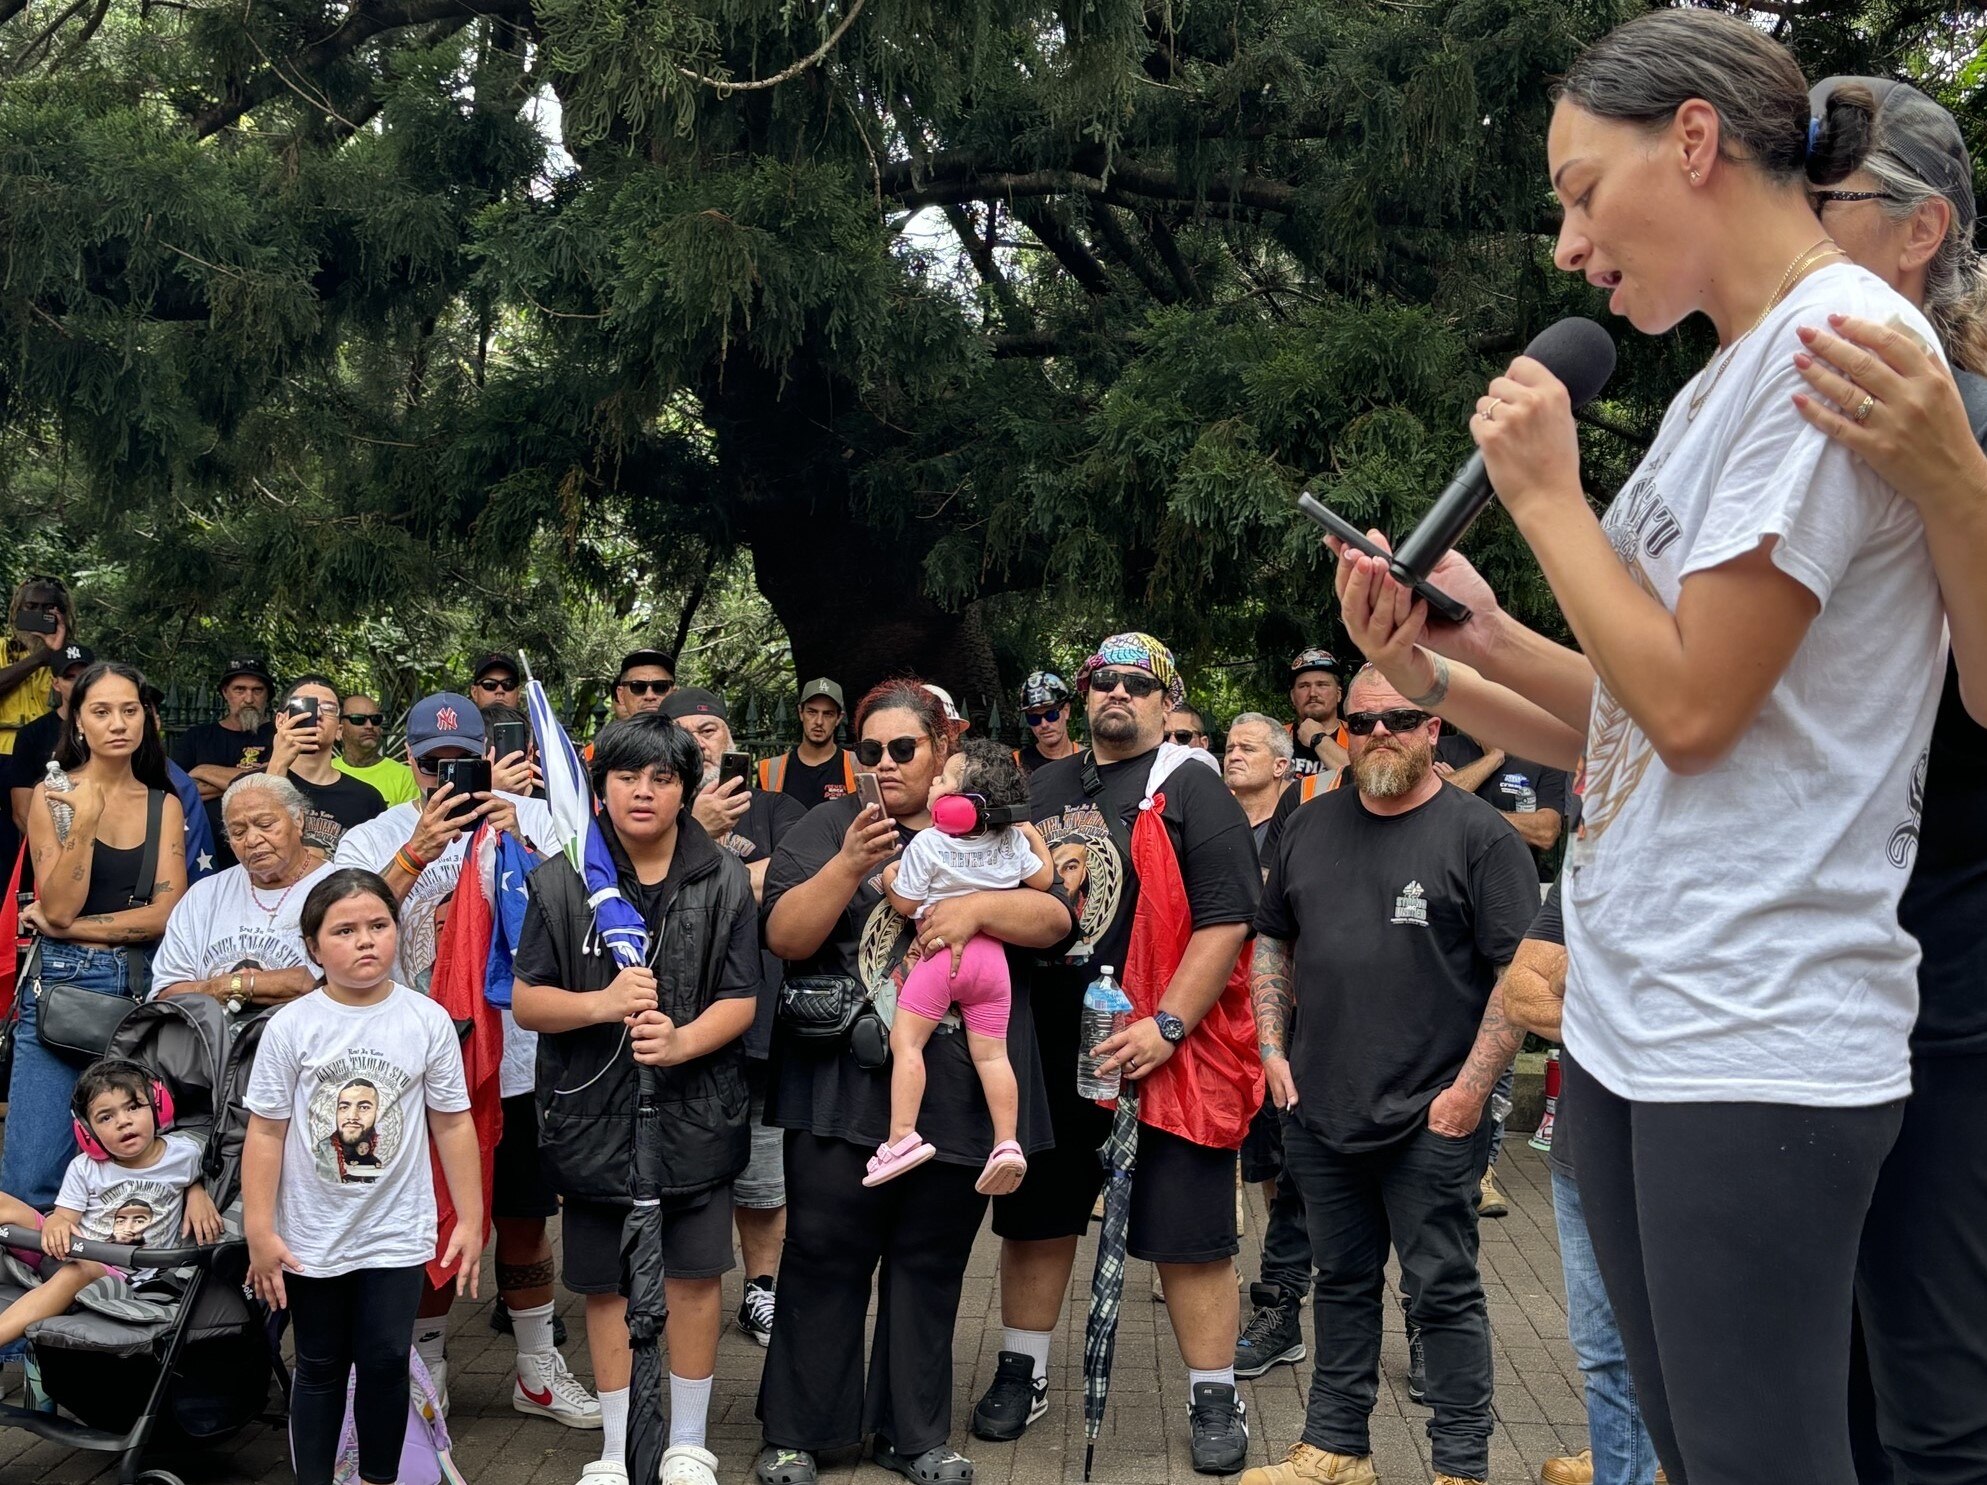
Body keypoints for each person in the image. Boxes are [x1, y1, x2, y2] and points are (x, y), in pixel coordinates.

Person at [1331, 17, 1944, 1479]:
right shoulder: (1710, 386)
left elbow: (1689, 705)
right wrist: (1447, 649)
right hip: (1638, 1014)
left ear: (1687, 141)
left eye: (1575, 189)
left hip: (1756, 1024)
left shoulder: (1836, 345)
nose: (1564, 246)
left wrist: (1543, 500)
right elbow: (1623, 725)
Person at [1763, 76, 1987, 1485]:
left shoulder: (1958, 414)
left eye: (1815, 206)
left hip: (1947, 976)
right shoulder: (1769, 419)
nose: (1779, 235)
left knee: (1933, 1393)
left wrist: (1949, 471)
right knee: (1818, 1376)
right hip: (1804, 969)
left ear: (1919, 230)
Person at [754, 679, 1072, 1485]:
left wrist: (976, 911)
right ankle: (798, 1430)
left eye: (905, 749)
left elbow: (1056, 921)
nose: (886, 764)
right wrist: (848, 863)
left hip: (964, 1086)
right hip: (841, 1083)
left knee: (929, 1261)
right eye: (871, 751)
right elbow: (786, 933)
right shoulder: (831, 823)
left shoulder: (996, 824)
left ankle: (913, 1433)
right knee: (823, 1252)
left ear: (942, 751)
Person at [1241, 668, 1538, 1485]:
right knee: (1338, 1282)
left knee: (1440, 1291)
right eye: (1362, 722)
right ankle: (1336, 1448)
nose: (1378, 734)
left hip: (1432, 1114)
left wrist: (1469, 1094)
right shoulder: (1307, 824)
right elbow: (1273, 937)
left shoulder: (1480, 836)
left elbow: (1520, 976)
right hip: (1319, 1107)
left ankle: (1460, 1467)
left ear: (1433, 729)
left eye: (1399, 720)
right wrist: (1272, 1048)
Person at [976, 632, 1262, 1476]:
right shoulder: (1043, 784)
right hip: (1049, 1037)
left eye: (1139, 684)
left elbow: (1226, 919)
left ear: (1165, 702)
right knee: (1038, 1214)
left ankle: (1214, 1392)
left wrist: (1167, 1024)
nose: (1118, 694)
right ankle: (1021, 1367)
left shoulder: (1192, 789)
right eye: (1103, 680)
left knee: (1189, 1233)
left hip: (1158, 1047)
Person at [513, 713, 761, 1485]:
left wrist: (684, 1041)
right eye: (626, 776)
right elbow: (526, 1000)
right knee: (605, 1282)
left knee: (691, 1277)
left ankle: (687, 1440)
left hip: (695, 1111)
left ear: (687, 788)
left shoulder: (720, 875)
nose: (643, 791)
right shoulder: (561, 877)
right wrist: (600, 1004)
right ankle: (618, 1447)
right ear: (601, 785)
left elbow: (742, 995)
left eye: (662, 777)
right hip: (591, 1119)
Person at [331, 694, 572, 1416]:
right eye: (434, 764)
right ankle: (425, 1372)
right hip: (414, 1069)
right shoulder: (370, 838)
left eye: (462, 760)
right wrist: (415, 853)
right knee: (426, 1220)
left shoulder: (534, 821)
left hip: (520, 1059)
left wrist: (521, 837)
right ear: (409, 761)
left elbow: (577, 923)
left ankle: (536, 1367)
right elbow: (342, 931)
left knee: (524, 1216)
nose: (448, 777)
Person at [242, 870, 482, 1485]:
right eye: (344, 931)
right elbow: (265, 1134)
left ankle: (379, 1477)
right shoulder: (291, 1027)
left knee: (383, 1360)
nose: (365, 941)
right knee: (319, 1364)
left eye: (378, 926)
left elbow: (453, 1125)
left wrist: (472, 1220)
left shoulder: (426, 1020)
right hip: (312, 1233)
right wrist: (259, 1232)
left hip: (397, 1231)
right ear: (314, 946)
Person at [1, 662, 187, 1210]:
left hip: (135, 987)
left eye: (129, 710)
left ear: (146, 719)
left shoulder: (164, 805)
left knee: (131, 1165)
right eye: (101, 711)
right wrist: (83, 823)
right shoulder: (51, 796)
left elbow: (165, 915)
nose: (118, 723)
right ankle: (27, 1293)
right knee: (31, 1173)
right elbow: (56, 905)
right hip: (57, 984)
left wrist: (73, 927)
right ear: (79, 722)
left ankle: (106, 1289)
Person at [1502, 886, 1665, 1485]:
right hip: (1586, 1152)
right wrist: (1636, 992)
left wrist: (1583, 975)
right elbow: (1520, 992)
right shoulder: (1598, 867)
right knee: (1606, 1357)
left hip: (1694, 1153)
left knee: (1706, 1353)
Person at [662, 686, 808, 1347]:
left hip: (761, 1022)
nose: (701, 741)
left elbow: (793, 883)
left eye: (711, 728)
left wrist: (707, 861)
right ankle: (674, 1289)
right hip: (676, 1025)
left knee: (765, 1176)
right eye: (686, 731)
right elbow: (650, 889)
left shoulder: (780, 806)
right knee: (682, 1168)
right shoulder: (654, 813)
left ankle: (762, 1290)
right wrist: (703, 835)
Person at [872, 739, 1053, 1191]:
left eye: (943, 779)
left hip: (938, 960)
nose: (934, 781)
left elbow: (910, 902)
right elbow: (1044, 879)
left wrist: (891, 878)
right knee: (993, 1055)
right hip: (992, 963)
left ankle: (902, 1138)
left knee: (907, 1042)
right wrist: (1030, 833)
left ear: (963, 803)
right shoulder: (1009, 839)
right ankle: (1008, 1143)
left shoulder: (929, 843)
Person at [0, 1059, 223, 1345]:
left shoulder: (187, 1154)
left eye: (133, 1107)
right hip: (66, 1249)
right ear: (87, 1133)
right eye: (106, 1117)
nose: (123, 1121)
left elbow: (195, 1176)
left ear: (159, 1108)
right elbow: (64, 1217)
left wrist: (197, 1192)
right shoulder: (85, 1167)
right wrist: (57, 1220)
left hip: (119, 1276)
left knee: (78, 1272)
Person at [1223, 711, 1309, 1381]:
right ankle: (1269, 1298)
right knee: (1254, 1157)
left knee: (1296, 1163)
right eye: (1227, 746)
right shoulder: (1217, 825)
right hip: (1224, 1017)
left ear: (1282, 764)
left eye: (1247, 747)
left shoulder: (1305, 820)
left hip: (1290, 1019)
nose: (1232, 755)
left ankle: (1285, 1301)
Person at [151, 774, 335, 1012]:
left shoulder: (339, 889)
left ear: (298, 820)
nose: (253, 839)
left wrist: (226, 985)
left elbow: (329, 981)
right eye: (238, 832)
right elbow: (166, 994)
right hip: (212, 1044)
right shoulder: (205, 895)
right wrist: (230, 987)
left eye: (266, 825)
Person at [171, 656, 276, 870]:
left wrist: (202, 770)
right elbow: (177, 790)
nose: (248, 698)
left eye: (257, 690)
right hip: (203, 853)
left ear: (267, 696)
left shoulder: (279, 737)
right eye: (239, 690)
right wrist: (253, 779)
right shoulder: (197, 737)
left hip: (263, 851)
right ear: (225, 693)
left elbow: (276, 785)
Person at [268, 675, 389, 853]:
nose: (316, 714)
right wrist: (277, 766)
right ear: (280, 721)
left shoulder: (367, 799)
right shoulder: (246, 786)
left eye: (328, 708)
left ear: (339, 730)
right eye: (302, 706)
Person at [8, 643, 92, 837]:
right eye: (69, 677)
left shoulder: (110, 730)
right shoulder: (32, 734)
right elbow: (22, 811)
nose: (77, 683)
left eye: (84, 676)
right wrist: (52, 850)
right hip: (49, 846)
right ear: (55, 683)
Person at [0, 576, 74, 760]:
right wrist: (40, 658)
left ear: (62, 614)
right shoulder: (1, 648)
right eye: (31, 607)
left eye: (49, 608)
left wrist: (59, 655)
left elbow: (75, 703)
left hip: (53, 751)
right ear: (18, 611)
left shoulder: (74, 656)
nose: (39, 614)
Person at [758, 678, 858, 807]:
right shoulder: (771, 770)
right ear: (801, 712)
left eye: (828, 714)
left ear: (839, 718)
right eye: (812, 712)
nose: (819, 721)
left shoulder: (858, 767)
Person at [1223, 713, 1295, 858]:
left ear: (1279, 766)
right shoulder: (1209, 822)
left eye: (1248, 749)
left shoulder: (1296, 828)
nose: (1233, 757)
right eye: (1229, 749)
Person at [333, 694, 421, 807]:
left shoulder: (405, 776)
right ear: (340, 730)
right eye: (359, 719)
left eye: (375, 719)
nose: (369, 726)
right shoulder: (324, 771)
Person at [1286, 650, 1349, 778]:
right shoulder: (1275, 737)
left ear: (1338, 694)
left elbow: (1366, 782)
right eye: (1304, 686)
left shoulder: (1358, 736)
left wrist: (1317, 738)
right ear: (1293, 696)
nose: (1313, 693)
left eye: (1322, 685)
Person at [1013, 672, 1077, 774]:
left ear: (1066, 710)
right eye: (1034, 718)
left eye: (1051, 715)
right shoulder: (1017, 763)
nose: (1044, 724)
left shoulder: (1088, 760)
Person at [610, 648, 676, 721]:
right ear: (621, 695)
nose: (649, 696)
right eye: (638, 687)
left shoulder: (688, 730)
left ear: (674, 693)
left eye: (660, 687)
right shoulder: (609, 732)